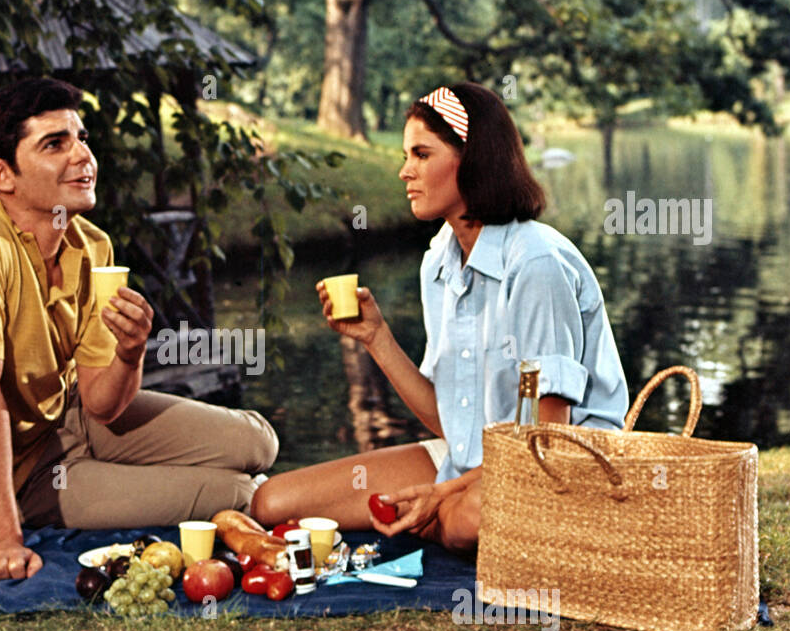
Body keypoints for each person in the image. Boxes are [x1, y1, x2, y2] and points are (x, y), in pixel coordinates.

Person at [0, 77, 278, 578]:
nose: (82, 156)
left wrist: (130, 352)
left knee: (258, 443)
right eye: (54, 144)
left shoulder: (91, 244)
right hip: (27, 475)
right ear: (2, 174)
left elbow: (103, 403)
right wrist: (3, 540)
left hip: (77, 418)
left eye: (81, 138)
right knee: (237, 492)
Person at [251, 82, 628, 552]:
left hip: (559, 468)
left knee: (464, 517)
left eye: (422, 154)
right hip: (475, 463)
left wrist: (442, 493)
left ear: (471, 160)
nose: (404, 171)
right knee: (272, 502)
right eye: (407, 154)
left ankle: (453, 515)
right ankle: (451, 515)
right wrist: (377, 338)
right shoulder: (440, 262)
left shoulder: (534, 263)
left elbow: (545, 436)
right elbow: (450, 424)